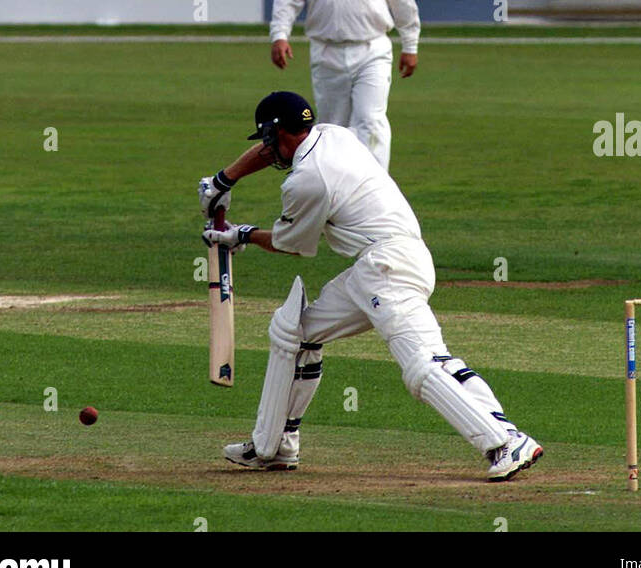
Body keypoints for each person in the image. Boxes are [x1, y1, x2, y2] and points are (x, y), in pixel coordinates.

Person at [199, 92, 544, 482]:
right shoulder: (333, 134)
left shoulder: (308, 180)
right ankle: (275, 446)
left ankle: (503, 441)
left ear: (279, 132)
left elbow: (290, 245)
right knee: (297, 334)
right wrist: (223, 179)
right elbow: (269, 152)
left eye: (267, 138)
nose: (266, 150)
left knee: (424, 365)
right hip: (380, 265)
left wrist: (239, 235)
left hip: (387, 268)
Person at [269, 0, 420, 171]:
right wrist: (280, 34)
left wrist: (410, 45)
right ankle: (338, 192)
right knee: (332, 128)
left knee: (371, 120)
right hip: (327, 50)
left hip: (372, 48)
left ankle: (376, 191)